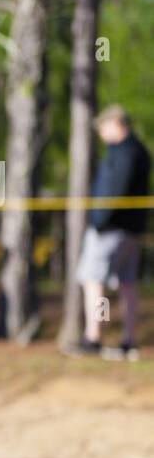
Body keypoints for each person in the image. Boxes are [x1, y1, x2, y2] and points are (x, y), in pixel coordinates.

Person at [75, 104, 149, 360]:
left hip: (111, 229)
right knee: (127, 284)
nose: (101, 134)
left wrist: (99, 220)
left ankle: (94, 336)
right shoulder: (137, 150)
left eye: (103, 127)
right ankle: (128, 340)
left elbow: (115, 188)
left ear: (116, 122)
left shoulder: (124, 152)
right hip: (130, 229)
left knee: (93, 279)